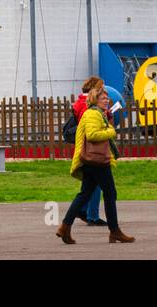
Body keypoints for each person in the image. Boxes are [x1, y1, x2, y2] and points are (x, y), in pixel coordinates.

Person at [56, 85, 135, 245]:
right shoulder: (93, 114)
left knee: (85, 193)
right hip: (97, 160)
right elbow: (92, 135)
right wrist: (110, 131)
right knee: (110, 194)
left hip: (91, 160)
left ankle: (65, 227)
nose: (107, 100)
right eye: (103, 98)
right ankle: (115, 231)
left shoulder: (97, 113)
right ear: (94, 100)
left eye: (107, 98)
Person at [70, 76, 122, 227]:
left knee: (89, 187)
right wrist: (110, 129)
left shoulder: (82, 103)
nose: (105, 96)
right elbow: (92, 130)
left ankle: (75, 217)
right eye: (102, 89)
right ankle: (91, 215)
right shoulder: (88, 107)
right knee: (103, 189)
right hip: (94, 151)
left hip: (90, 149)